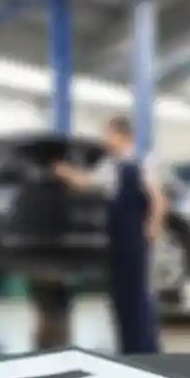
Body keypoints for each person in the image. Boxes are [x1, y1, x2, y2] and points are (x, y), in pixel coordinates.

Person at [53, 117, 169, 354]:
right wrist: (64, 172)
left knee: (137, 294)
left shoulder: (142, 162)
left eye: (109, 134)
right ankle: (129, 348)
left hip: (136, 237)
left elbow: (158, 198)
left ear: (123, 136)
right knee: (120, 295)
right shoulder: (110, 165)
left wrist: (152, 227)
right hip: (118, 238)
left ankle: (146, 349)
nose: (106, 139)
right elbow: (85, 183)